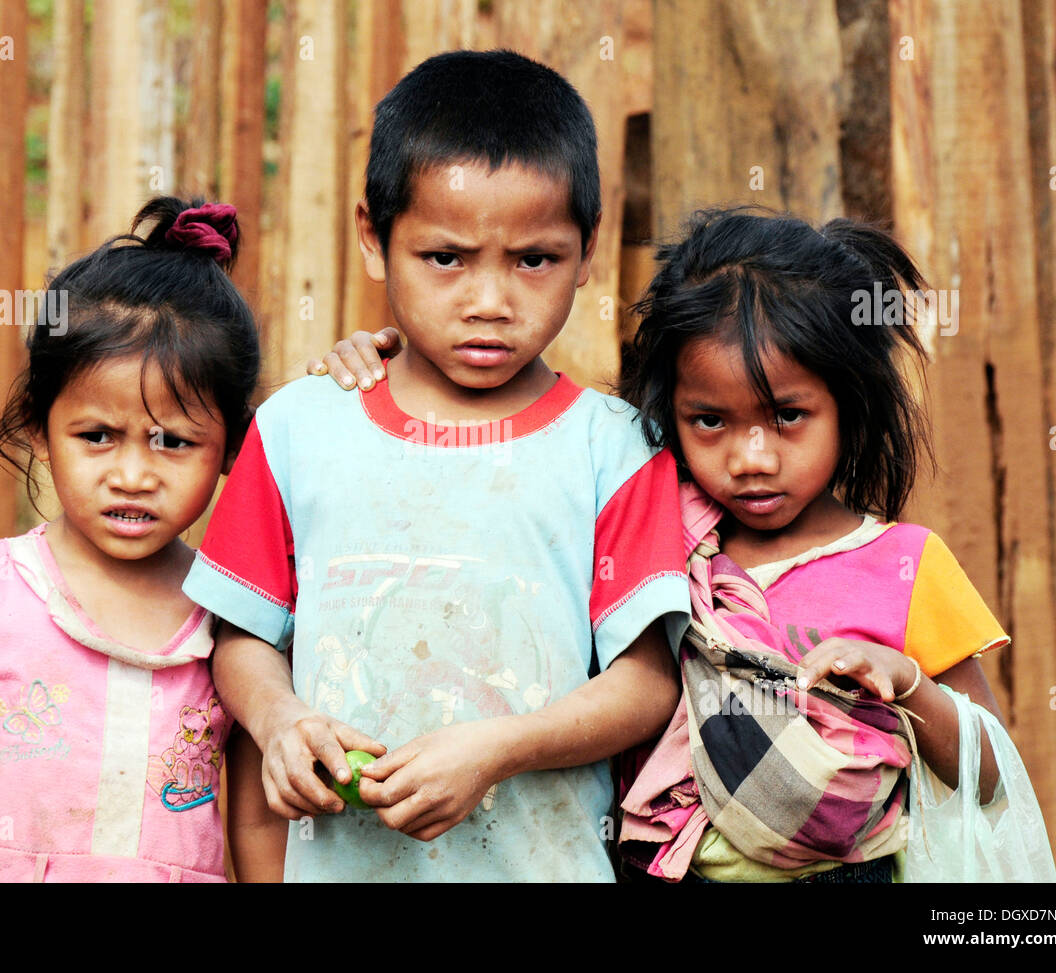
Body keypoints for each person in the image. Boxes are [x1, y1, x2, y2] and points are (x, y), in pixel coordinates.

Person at [320, 208, 1014, 883]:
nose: (751, 456)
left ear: (850, 403)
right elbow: (515, 456)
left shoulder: (907, 564)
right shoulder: (652, 528)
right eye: (709, 420)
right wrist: (398, 363)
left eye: (789, 417)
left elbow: (991, 775)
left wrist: (908, 683)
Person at [183, 50, 691, 882]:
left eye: (535, 259)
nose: (489, 300)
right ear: (373, 239)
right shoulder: (298, 428)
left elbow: (644, 681)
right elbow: (242, 632)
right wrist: (279, 721)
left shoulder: (615, 448)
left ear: (589, 249)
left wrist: (498, 750)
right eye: (445, 257)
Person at [0, 197, 286, 882]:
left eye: (174, 441)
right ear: (40, 430)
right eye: (97, 436)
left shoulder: (235, 616)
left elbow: (255, 822)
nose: (132, 475)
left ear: (230, 447)